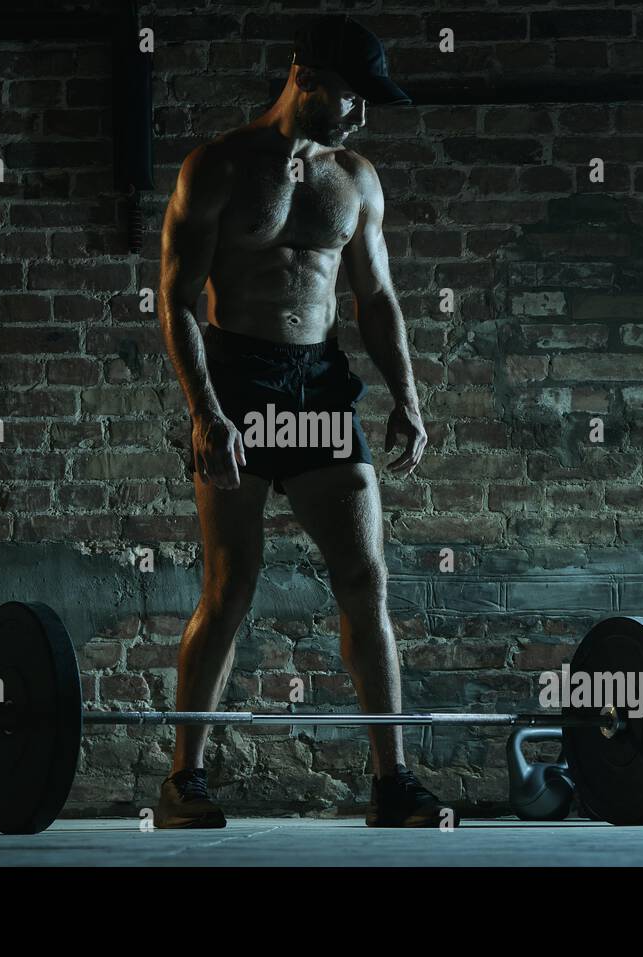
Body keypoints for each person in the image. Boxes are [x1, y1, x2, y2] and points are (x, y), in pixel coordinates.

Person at [155, 14, 453, 828]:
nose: (360, 116)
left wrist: (408, 397)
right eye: (352, 97)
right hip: (239, 380)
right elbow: (178, 301)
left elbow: (376, 298)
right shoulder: (215, 168)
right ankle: (185, 780)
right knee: (231, 586)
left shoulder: (356, 180)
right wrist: (205, 411)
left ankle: (392, 782)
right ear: (304, 75)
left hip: (319, 386)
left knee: (364, 580)